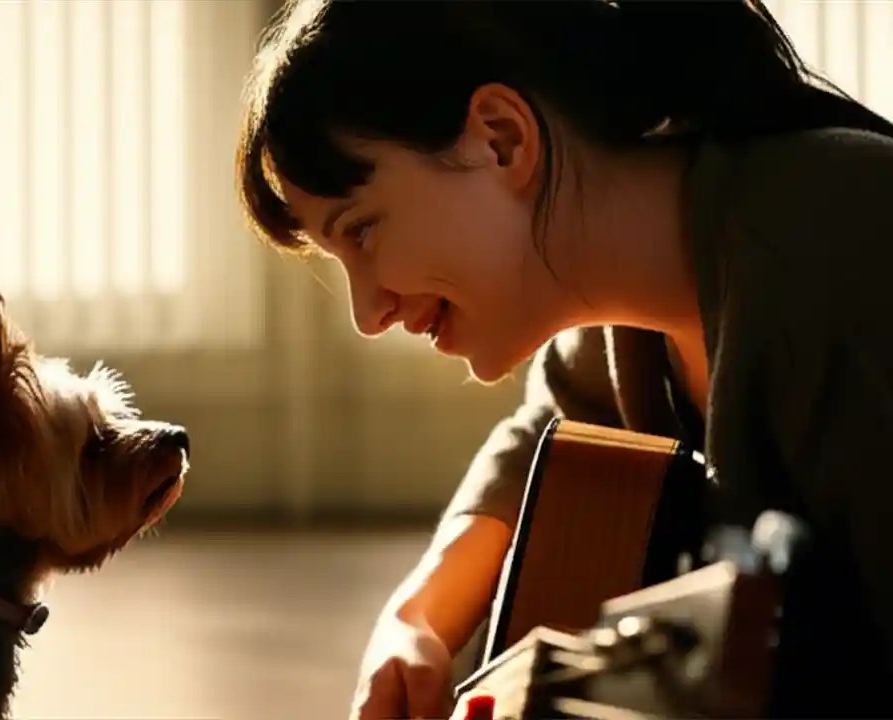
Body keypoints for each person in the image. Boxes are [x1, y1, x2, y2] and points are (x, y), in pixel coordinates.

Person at [234, 1, 893, 718]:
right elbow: (532, 452)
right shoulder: (614, 335)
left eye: (361, 229)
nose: (369, 314)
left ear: (502, 140)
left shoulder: (847, 240)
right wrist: (414, 624)